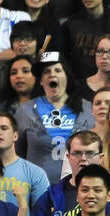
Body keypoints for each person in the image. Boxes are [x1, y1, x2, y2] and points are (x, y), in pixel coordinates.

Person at [15, 53, 94, 184]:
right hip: (37, 189)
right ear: (41, 80)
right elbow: (17, 153)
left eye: (58, 70)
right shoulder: (25, 110)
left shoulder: (88, 109)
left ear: (66, 77)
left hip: (81, 187)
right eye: (46, 72)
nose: (52, 74)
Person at [30, 128, 103, 216]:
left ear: (101, 157)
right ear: (68, 157)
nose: (83, 159)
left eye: (90, 153)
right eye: (77, 153)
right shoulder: (48, 199)